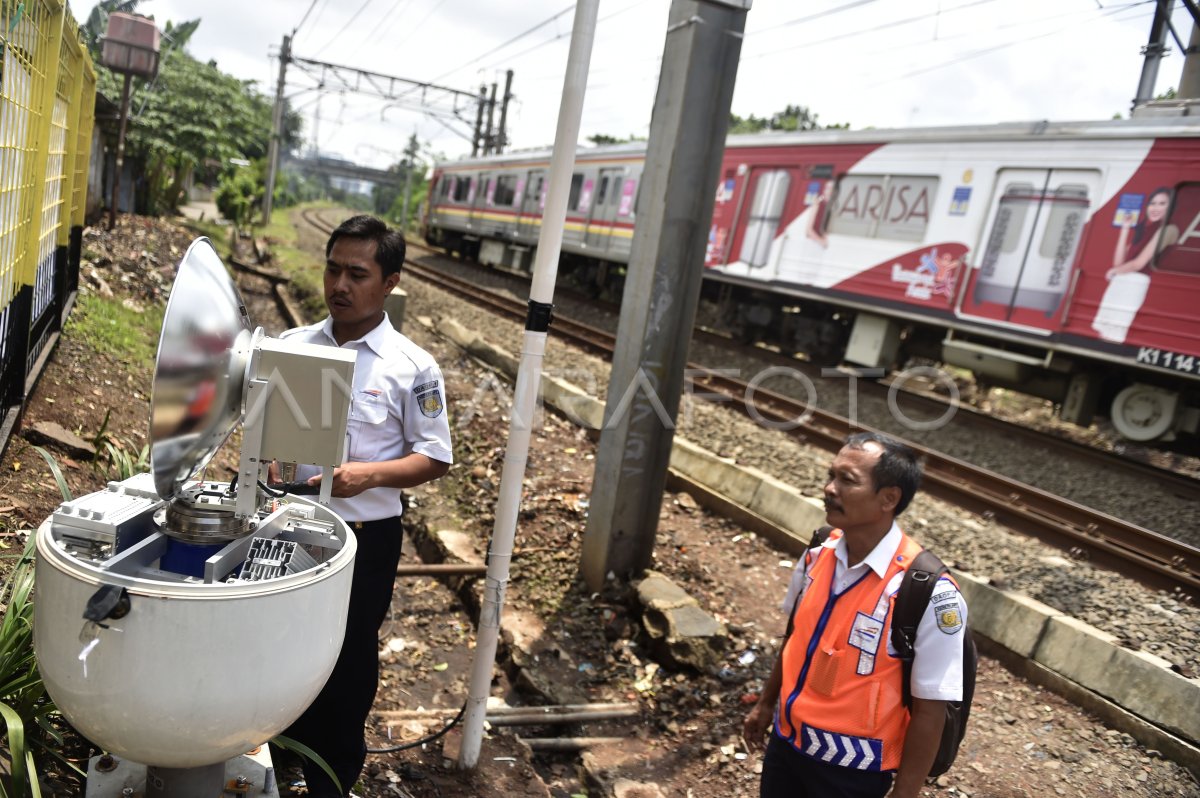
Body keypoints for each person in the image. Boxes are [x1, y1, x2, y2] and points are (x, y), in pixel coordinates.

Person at [277, 214, 453, 797]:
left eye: (358, 273)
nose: (340, 285)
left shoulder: (413, 367)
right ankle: (273, 760)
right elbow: (265, 434)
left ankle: (331, 777)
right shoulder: (292, 348)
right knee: (279, 647)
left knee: (348, 661)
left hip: (364, 538)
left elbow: (435, 457)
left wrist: (368, 474)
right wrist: (273, 459)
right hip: (288, 527)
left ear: (390, 282)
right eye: (333, 269)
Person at [742, 432, 966, 798]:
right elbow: (795, 636)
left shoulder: (928, 593)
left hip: (852, 774)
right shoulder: (819, 552)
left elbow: (931, 709)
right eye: (831, 476)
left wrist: (905, 793)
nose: (829, 488)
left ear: (888, 499)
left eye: (847, 480)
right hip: (786, 747)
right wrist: (766, 705)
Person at [1093, 187, 1178, 343]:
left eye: (1162, 203)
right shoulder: (1145, 228)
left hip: (1134, 284)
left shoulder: (1168, 229)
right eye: (1152, 203)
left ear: (1171, 206)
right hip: (1121, 282)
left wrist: (1114, 271)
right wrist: (1125, 229)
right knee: (1104, 331)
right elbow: (1119, 263)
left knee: (1115, 332)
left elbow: (1139, 264)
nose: (1155, 208)